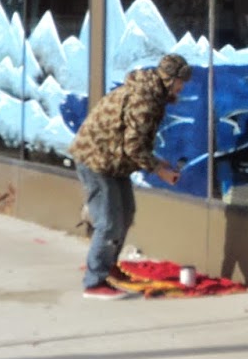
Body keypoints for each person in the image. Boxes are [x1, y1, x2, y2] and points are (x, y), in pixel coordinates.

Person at [69, 53, 190, 299]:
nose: (182, 87)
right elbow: (133, 146)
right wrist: (160, 171)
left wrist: (159, 161)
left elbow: (134, 141)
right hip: (96, 160)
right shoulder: (145, 98)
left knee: (126, 213)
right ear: (169, 79)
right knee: (110, 221)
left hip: (114, 161)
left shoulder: (151, 93)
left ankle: (109, 266)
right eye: (180, 81)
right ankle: (95, 282)